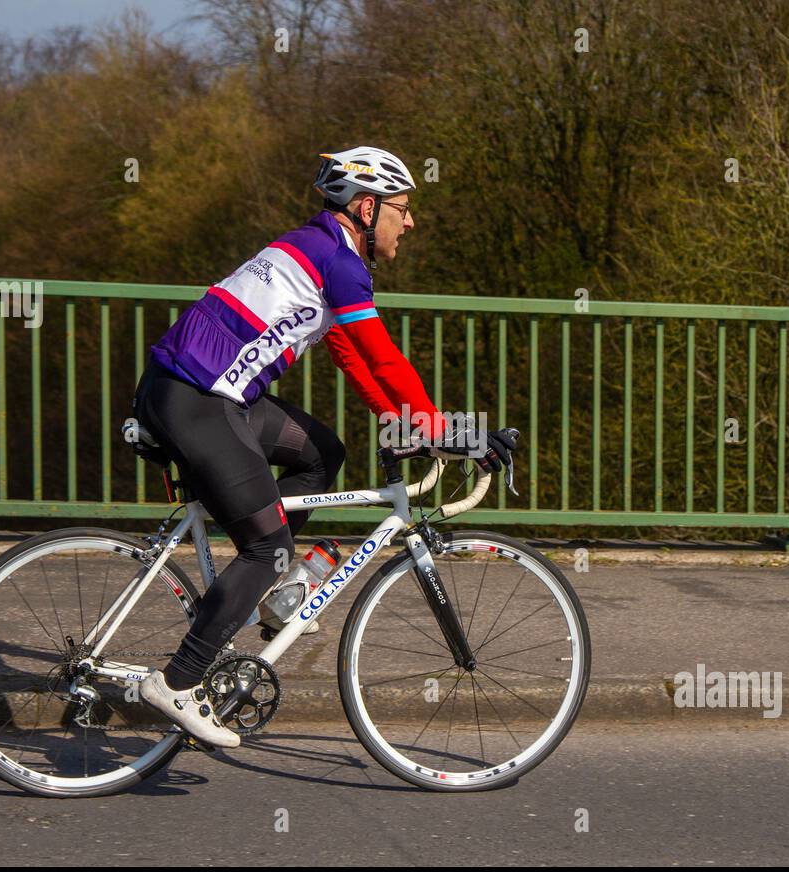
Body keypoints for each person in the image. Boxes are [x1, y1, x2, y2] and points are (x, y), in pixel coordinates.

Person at [133, 146, 517, 747]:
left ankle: (274, 589)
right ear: (367, 208)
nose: (409, 222)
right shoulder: (337, 261)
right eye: (403, 209)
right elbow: (383, 356)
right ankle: (179, 681)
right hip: (198, 400)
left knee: (321, 454)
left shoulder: (320, 250)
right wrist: (444, 430)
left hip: (208, 394)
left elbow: (349, 353)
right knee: (265, 547)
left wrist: (408, 425)